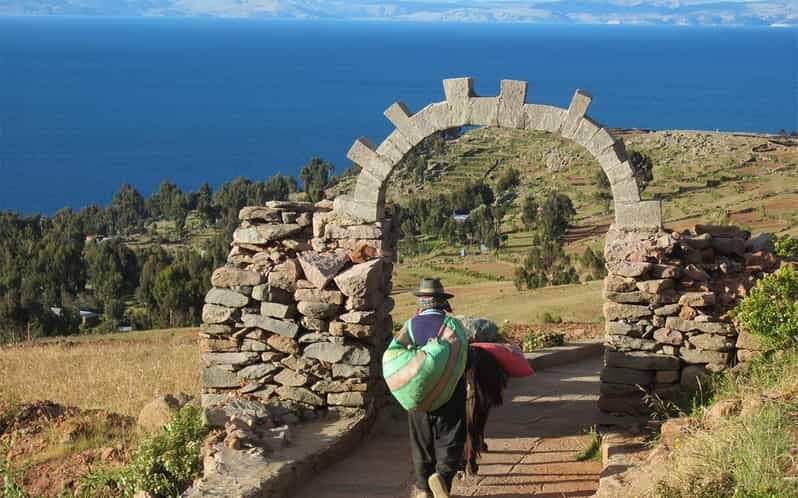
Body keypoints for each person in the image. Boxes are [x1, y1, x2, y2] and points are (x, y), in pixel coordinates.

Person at [398, 277, 470, 498]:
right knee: (451, 439)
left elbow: (398, 355)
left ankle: (423, 490)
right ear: (441, 302)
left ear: (421, 301)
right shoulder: (453, 325)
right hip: (449, 395)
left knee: (421, 443)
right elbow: (467, 359)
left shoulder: (409, 326)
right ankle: (442, 479)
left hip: (418, 397)